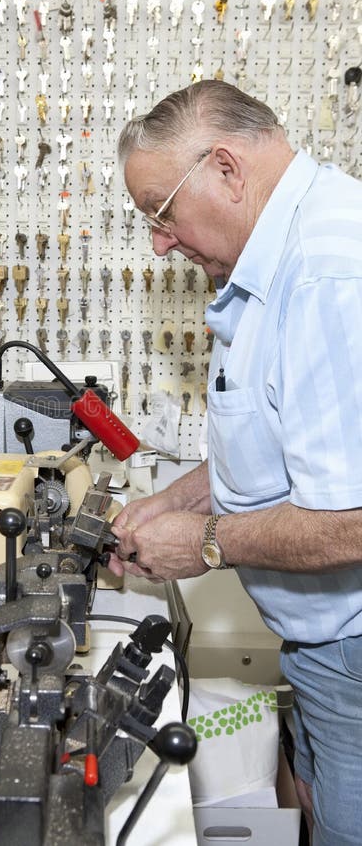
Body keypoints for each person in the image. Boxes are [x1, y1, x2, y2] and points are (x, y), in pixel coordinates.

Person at [109, 79, 362, 846]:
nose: (160, 242)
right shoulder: (271, 264)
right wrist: (176, 503)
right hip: (324, 653)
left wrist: (208, 543)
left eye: (161, 212)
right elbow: (277, 441)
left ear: (224, 168)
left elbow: (351, 520)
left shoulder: (326, 275)